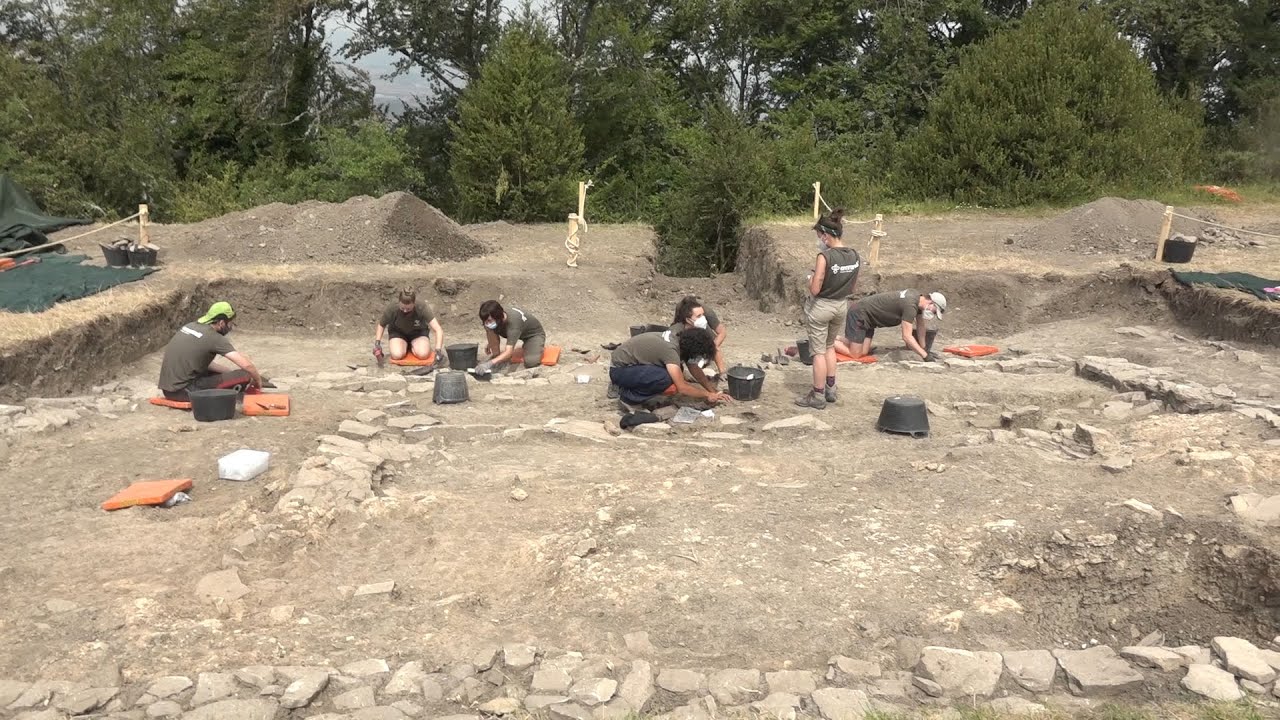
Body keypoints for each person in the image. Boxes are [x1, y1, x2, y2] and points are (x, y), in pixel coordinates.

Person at [796, 208, 863, 410]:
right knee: (830, 346)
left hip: (822, 307)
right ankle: (831, 388)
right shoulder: (854, 255)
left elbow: (815, 290)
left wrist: (811, 278)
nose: (819, 240)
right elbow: (853, 287)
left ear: (826, 235)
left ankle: (817, 394)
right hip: (841, 306)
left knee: (817, 352)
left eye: (819, 236)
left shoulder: (824, 257)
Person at [157, 301, 263, 401]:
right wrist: (258, 381)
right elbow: (248, 366)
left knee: (224, 374)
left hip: (169, 391)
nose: (231, 326)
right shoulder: (214, 337)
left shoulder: (191, 326)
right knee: (245, 375)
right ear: (222, 323)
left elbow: (204, 364)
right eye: (230, 323)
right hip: (186, 392)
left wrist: (230, 373)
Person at [610, 328, 731, 411]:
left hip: (631, 366)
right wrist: (707, 395)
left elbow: (693, 367)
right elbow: (682, 388)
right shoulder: (670, 351)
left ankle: (632, 387)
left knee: (675, 372)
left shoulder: (679, 341)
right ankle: (629, 398)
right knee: (665, 378)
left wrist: (712, 391)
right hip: (620, 370)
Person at [835, 289, 948, 361]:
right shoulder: (910, 305)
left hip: (870, 320)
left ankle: (836, 338)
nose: (932, 314)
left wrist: (925, 349)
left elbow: (921, 326)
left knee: (864, 352)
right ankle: (825, 341)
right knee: (855, 355)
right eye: (934, 311)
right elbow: (907, 337)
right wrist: (925, 356)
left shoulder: (918, 300)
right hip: (860, 314)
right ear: (931, 303)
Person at [669, 296, 728, 390]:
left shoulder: (705, 313)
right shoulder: (677, 328)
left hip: (700, 327)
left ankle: (722, 372)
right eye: (699, 316)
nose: (702, 317)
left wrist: (711, 348)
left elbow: (722, 332)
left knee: (711, 344)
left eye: (702, 315)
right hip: (688, 327)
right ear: (687, 319)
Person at [374, 288, 445, 364]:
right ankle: (405, 346)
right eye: (402, 308)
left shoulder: (422, 307)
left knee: (423, 355)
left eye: (408, 309)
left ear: (414, 304)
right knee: (397, 355)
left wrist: (438, 350)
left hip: (418, 333)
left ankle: (414, 346)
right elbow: (381, 325)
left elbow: (438, 329)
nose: (405, 311)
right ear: (399, 302)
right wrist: (377, 343)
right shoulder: (392, 308)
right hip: (398, 333)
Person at [477, 300, 546, 374]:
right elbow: (490, 332)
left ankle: (531, 346)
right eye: (485, 321)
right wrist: (493, 350)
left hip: (533, 335)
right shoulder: (494, 318)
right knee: (490, 329)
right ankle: (496, 357)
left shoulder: (513, 324)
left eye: (489, 321)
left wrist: (489, 364)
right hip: (511, 330)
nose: (486, 323)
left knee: (531, 362)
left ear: (498, 317)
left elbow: (509, 352)